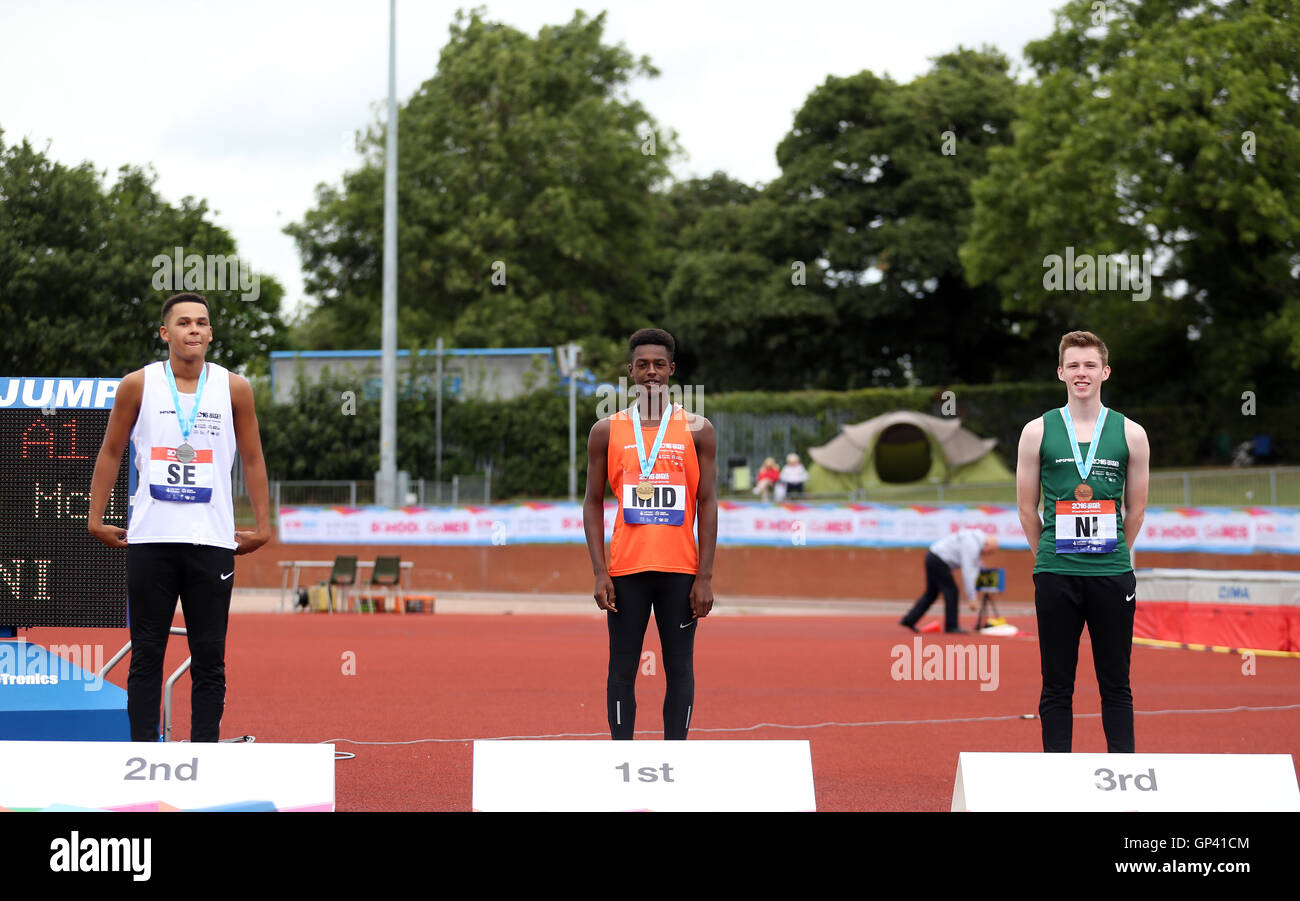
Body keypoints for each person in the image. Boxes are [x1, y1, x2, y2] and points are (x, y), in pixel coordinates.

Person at [88, 292, 272, 742]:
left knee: (209, 657)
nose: (195, 330)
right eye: (184, 323)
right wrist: (95, 517)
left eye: (202, 323)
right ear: (165, 333)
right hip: (151, 539)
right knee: (147, 654)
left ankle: (203, 755)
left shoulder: (234, 387)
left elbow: (252, 458)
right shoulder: (139, 384)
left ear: (210, 333)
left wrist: (265, 527)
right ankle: (145, 754)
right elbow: (112, 450)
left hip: (211, 542)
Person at [1015, 330, 1149, 753]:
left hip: (1112, 574)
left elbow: (1137, 511)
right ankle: (1058, 781)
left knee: (1116, 683)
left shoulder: (1132, 433)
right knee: (1057, 683)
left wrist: (1110, 553)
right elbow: (1025, 509)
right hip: (1056, 574)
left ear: (1105, 371)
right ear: (1060, 372)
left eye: (1090, 365)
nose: (1082, 373)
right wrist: (1050, 556)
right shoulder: (1037, 432)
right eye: (1073, 365)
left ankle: (1122, 777)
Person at [583, 328, 717, 740]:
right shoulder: (606, 430)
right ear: (630, 371)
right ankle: (622, 755)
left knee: (680, 670)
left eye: (659, 364)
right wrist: (599, 571)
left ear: (672, 370)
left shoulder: (698, 429)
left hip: (681, 571)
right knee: (622, 669)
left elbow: (709, 502)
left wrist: (705, 576)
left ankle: (674, 757)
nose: (651, 372)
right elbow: (592, 502)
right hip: (625, 571)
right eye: (643, 365)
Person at [900, 530, 997, 633]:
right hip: (939, 560)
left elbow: (976, 565)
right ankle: (951, 626)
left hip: (932, 557)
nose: (988, 555)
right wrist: (972, 597)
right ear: (986, 544)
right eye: (990, 552)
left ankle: (909, 620)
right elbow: (968, 572)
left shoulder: (975, 540)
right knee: (952, 591)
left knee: (931, 594)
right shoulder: (972, 545)